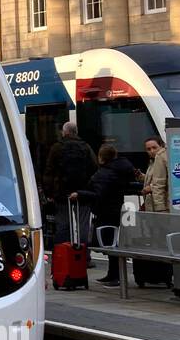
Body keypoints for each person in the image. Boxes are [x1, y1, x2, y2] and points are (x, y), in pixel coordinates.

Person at [71, 145, 126, 285]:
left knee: (108, 244)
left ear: (101, 158)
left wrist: (80, 194)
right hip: (113, 210)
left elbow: (98, 194)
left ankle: (115, 276)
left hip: (105, 211)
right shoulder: (118, 170)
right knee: (110, 243)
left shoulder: (104, 173)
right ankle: (113, 274)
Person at [44, 122, 97, 240]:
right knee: (83, 224)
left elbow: (49, 172)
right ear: (76, 132)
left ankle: (65, 254)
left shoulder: (56, 147)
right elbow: (94, 168)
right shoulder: (86, 147)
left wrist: (49, 193)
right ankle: (83, 253)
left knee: (63, 224)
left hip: (62, 193)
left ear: (65, 132)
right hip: (82, 192)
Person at [142, 136, 169, 212]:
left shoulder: (164, 159)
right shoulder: (152, 162)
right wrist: (142, 177)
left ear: (161, 146)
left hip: (163, 203)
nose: (152, 151)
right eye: (149, 149)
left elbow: (167, 181)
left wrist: (151, 187)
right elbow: (155, 178)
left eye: (154, 147)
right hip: (152, 203)